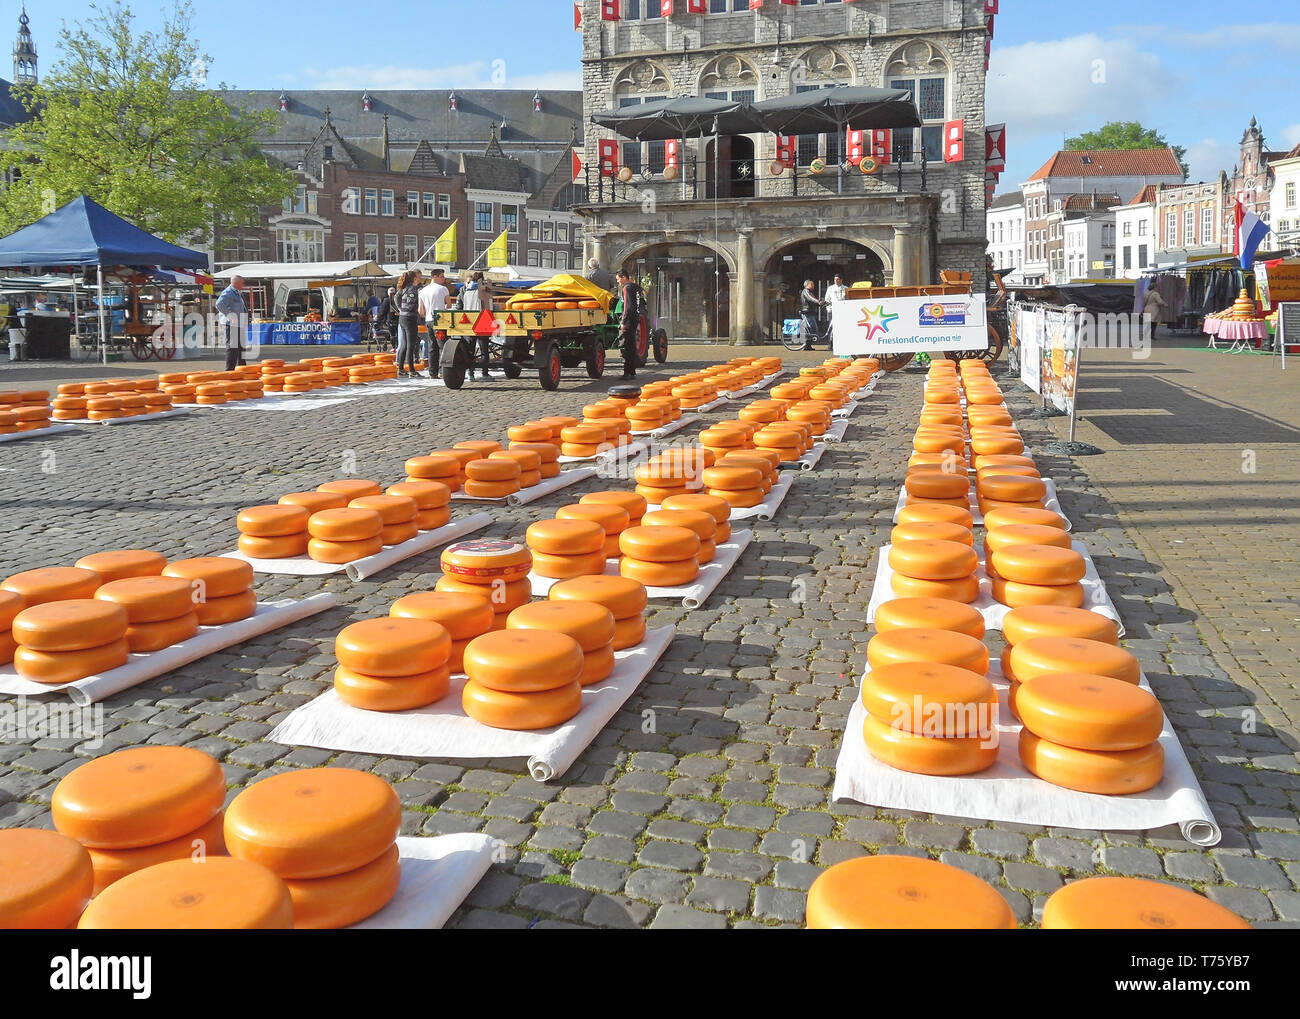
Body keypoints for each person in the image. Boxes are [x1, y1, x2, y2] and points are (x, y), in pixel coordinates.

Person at [419, 268, 450, 376]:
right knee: (442, 345)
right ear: (435, 277)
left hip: (428, 320)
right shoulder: (443, 289)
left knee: (432, 346)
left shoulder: (422, 291)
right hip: (440, 319)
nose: (444, 279)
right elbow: (449, 305)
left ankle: (432, 372)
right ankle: (443, 371)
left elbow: (421, 310)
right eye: (442, 276)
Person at [215, 275, 248, 371]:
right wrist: (230, 315)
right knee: (233, 347)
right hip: (232, 324)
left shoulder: (237, 292)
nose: (243, 284)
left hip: (239, 323)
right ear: (236, 283)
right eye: (242, 282)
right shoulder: (228, 292)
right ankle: (229, 371)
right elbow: (219, 304)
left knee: (241, 347)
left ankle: (242, 369)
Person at [615, 269, 642, 379]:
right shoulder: (635, 287)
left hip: (629, 320)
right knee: (632, 345)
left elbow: (627, 306)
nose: (618, 282)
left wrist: (623, 321)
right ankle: (632, 371)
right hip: (635, 318)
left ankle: (627, 372)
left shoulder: (627, 288)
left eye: (618, 279)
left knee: (626, 346)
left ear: (623, 277)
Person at [395, 270, 423, 376]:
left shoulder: (405, 288)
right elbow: (411, 304)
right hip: (410, 318)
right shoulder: (413, 290)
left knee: (404, 344)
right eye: (419, 277)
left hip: (402, 318)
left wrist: (400, 309)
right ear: (415, 278)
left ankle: (401, 368)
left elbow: (396, 296)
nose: (420, 279)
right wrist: (419, 311)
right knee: (411, 345)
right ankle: (411, 369)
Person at [798, 280, 824, 351]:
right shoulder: (805, 291)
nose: (813, 285)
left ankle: (808, 346)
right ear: (807, 285)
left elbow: (813, 301)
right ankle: (806, 344)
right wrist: (818, 301)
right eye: (812, 284)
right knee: (811, 328)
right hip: (806, 312)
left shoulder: (810, 292)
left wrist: (821, 303)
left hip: (810, 312)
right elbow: (810, 298)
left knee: (811, 329)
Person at [821, 274, 847, 345]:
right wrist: (828, 309)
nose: (836, 281)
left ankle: (842, 342)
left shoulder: (846, 288)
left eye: (838, 279)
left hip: (843, 311)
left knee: (842, 326)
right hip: (833, 310)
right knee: (832, 327)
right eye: (835, 279)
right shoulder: (830, 288)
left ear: (841, 280)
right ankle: (831, 343)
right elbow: (827, 299)